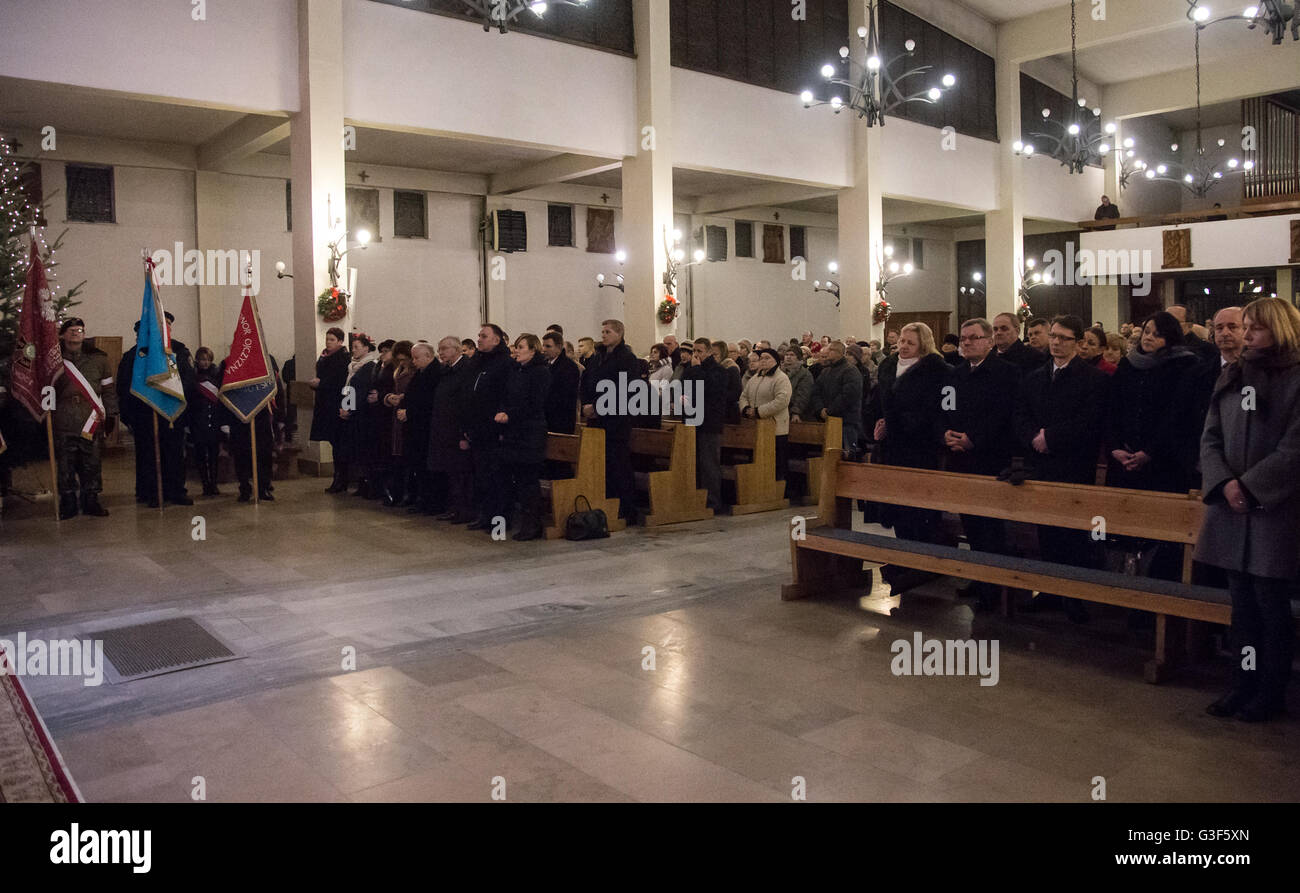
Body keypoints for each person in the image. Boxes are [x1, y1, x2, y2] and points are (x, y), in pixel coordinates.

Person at [1198, 298, 1300, 722]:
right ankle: (1243, 684)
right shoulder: (1233, 374)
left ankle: (1270, 693)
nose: (1247, 334)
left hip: (1274, 510)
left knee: (1271, 607)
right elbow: (1210, 435)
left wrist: (1252, 486)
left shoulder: (1296, 378)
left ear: (1279, 329)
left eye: (1255, 327)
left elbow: (1295, 448)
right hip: (1232, 508)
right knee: (1242, 608)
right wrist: (1224, 482)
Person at [1014, 315, 1109, 623]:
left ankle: (1074, 595)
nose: (1055, 342)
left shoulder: (1092, 379)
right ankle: (1051, 590)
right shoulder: (1034, 376)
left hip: (1073, 463)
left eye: (1063, 338)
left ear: (1077, 343)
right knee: (1046, 530)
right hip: (1041, 463)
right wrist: (1033, 437)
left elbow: (1091, 421)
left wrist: (1050, 438)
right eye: (1053, 336)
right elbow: (1021, 413)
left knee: (1073, 531)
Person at [944, 318, 1019, 610]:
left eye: (973, 338)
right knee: (971, 523)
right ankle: (978, 577)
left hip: (990, 459)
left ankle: (994, 585)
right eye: (963, 338)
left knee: (991, 526)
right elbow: (944, 409)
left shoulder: (1007, 373)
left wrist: (974, 438)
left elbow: (1005, 415)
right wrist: (945, 433)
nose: (966, 342)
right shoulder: (955, 373)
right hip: (960, 460)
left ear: (989, 342)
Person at [872, 323, 950, 552]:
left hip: (920, 447)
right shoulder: (888, 367)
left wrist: (895, 423)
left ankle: (922, 558)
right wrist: (879, 420)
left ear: (923, 345)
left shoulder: (937, 371)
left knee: (918, 508)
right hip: (892, 447)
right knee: (897, 505)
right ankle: (904, 556)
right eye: (902, 341)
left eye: (910, 342)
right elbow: (879, 402)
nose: (903, 346)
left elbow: (935, 410)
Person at [1107, 311, 1202, 495]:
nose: (1149, 337)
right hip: (1124, 459)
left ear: (1170, 337)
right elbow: (1113, 408)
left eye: (1157, 334)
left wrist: (1150, 452)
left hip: (1165, 462)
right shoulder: (1128, 364)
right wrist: (1115, 447)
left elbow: (1179, 415)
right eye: (1147, 332)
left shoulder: (1184, 366)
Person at [117, 313, 193, 507]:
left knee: (175, 453)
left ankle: (176, 490)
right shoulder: (134, 356)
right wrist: (130, 417)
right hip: (145, 414)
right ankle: (150, 492)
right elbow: (125, 387)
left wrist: (183, 409)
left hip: (173, 412)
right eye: (161, 324)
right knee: (148, 454)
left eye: (168, 325)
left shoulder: (179, 351)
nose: (165, 328)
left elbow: (188, 381)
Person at [52, 318, 118, 519]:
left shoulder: (99, 359)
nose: (75, 333)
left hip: (91, 418)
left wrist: (112, 414)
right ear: (62, 335)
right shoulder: (54, 360)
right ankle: (68, 500)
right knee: (65, 464)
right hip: (64, 418)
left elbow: (108, 390)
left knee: (92, 462)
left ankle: (91, 499)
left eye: (79, 330)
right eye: (71, 330)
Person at [580, 319, 641, 524]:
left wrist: (598, 407)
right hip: (596, 421)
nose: (603, 335)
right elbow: (587, 382)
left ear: (619, 334)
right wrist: (587, 404)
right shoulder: (598, 358)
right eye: (602, 331)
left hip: (616, 421)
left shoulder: (627, 358)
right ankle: (605, 505)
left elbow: (625, 390)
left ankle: (626, 509)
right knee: (601, 465)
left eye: (607, 332)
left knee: (619, 465)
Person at [496, 333, 551, 540]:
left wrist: (509, 414)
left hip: (530, 433)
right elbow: (506, 396)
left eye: (520, 347)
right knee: (512, 479)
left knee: (528, 480)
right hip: (512, 432)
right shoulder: (516, 371)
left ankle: (532, 524)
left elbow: (534, 404)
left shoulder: (540, 373)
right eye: (516, 347)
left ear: (533, 350)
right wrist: (503, 410)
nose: (516, 350)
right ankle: (508, 521)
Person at [466, 324, 513, 529]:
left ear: (496, 340)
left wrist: (501, 428)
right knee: (482, 476)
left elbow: (506, 395)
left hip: (494, 429)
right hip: (478, 428)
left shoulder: (504, 363)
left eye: (484, 336)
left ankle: (500, 520)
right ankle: (485, 515)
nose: (479, 339)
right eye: (478, 335)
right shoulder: (477, 361)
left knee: (498, 478)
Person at [428, 336, 474, 524]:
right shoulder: (445, 370)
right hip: (444, 429)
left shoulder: (466, 369)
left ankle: (465, 510)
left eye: (444, 349)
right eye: (439, 349)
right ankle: (453, 507)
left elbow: (466, 402)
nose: (441, 353)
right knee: (450, 472)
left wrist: (464, 431)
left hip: (457, 430)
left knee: (461, 473)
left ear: (457, 349)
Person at [683, 337, 728, 511]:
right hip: (692, 421)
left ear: (709, 352)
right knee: (693, 463)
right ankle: (695, 498)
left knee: (709, 464)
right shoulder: (692, 368)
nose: (695, 354)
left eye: (699, 351)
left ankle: (713, 501)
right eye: (694, 351)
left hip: (709, 423)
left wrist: (696, 370)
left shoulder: (718, 371)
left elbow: (708, 388)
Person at [334, 333, 379, 497]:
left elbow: (361, 391)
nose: (353, 350)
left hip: (362, 414)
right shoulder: (353, 366)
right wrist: (343, 407)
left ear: (366, 348)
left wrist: (350, 409)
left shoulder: (369, 366)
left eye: (356, 347)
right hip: (351, 412)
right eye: (352, 347)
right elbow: (349, 389)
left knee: (363, 450)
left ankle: (366, 484)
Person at [740, 348, 792, 480]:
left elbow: (781, 401)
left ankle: (779, 490)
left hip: (775, 428)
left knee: (776, 463)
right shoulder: (755, 378)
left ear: (776, 361)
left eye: (767, 358)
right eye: (761, 358)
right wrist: (746, 409)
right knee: (757, 460)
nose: (763, 360)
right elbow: (743, 396)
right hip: (756, 427)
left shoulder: (781, 378)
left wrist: (758, 411)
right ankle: (758, 487)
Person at [311, 327, 350, 493]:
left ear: (340, 342)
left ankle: (342, 479)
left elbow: (342, 382)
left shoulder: (343, 358)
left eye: (332, 339)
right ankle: (338, 477)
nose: (328, 342)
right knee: (335, 444)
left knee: (340, 444)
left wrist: (321, 384)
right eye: (327, 339)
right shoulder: (324, 356)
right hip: (326, 404)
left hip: (338, 404)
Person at [402, 342, 441, 513]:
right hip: (416, 427)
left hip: (426, 427)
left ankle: (431, 502)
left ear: (428, 356)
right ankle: (422, 499)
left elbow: (427, 401)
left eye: (417, 358)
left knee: (428, 468)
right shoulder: (420, 373)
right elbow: (412, 395)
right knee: (418, 466)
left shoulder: (435, 373)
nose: (414, 361)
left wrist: (409, 412)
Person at [807, 340, 863, 451]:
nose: (827, 352)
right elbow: (815, 392)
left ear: (840, 353)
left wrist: (829, 411)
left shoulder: (851, 371)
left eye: (831, 350)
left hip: (846, 422)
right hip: (827, 420)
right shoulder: (825, 371)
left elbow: (848, 396)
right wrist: (820, 409)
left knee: (846, 456)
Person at [382, 341, 415, 507]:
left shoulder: (414, 373)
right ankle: (397, 491)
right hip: (396, 415)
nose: (402, 363)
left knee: (406, 456)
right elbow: (389, 390)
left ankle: (407, 493)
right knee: (397, 455)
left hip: (407, 416)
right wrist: (389, 398)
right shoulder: (397, 371)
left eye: (405, 359)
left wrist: (403, 398)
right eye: (399, 360)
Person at [189, 347, 225, 497]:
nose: (205, 362)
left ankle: (214, 483)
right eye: (202, 359)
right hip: (198, 422)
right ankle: (205, 483)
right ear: (197, 360)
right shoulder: (192, 376)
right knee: (200, 455)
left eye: (207, 359)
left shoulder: (216, 376)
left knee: (213, 455)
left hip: (213, 421)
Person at [541, 330, 580, 434]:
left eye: (548, 346)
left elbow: (564, 396)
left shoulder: (569, 367)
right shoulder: (545, 364)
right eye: (543, 346)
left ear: (558, 347)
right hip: (546, 419)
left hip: (560, 420)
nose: (544, 349)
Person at [712, 341, 743, 423]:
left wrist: (717, 396)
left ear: (722, 355)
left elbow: (736, 392)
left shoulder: (731, 368)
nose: (712, 357)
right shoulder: (713, 369)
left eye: (715, 355)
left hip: (728, 413)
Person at [782, 347, 813, 422]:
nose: (788, 357)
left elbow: (803, 395)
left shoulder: (805, 374)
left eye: (792, 355)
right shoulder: (779, 372)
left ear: (798, 358)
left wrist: (796, 412)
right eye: (786, 354)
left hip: (793, 412)